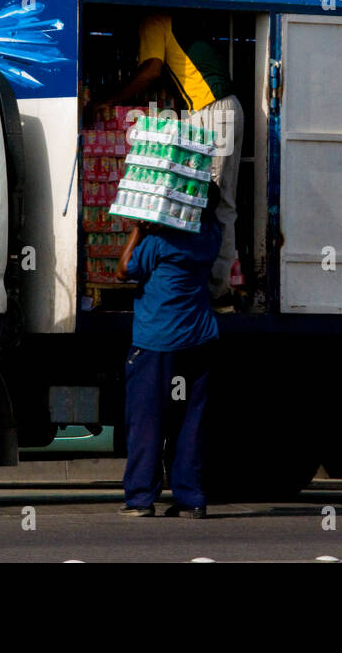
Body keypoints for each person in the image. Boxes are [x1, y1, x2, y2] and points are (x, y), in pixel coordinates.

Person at [95, 12, 244, 308]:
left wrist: (110, 101)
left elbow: (151, 70)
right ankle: (216, 284)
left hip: (213, 110)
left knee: (210, 201)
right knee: (218, 201)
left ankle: (215, 289)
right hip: (219, 109)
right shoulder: (181, 22)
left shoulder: (153, 21)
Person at [114, 187, 223, 518]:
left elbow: (123, 270)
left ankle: (141, 499)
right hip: (200, 340)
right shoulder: (211, 235)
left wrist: (139, 228)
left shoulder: (161, 241)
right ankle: (191, 499)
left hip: (158, 342)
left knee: (147, 421)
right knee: (190, 422)